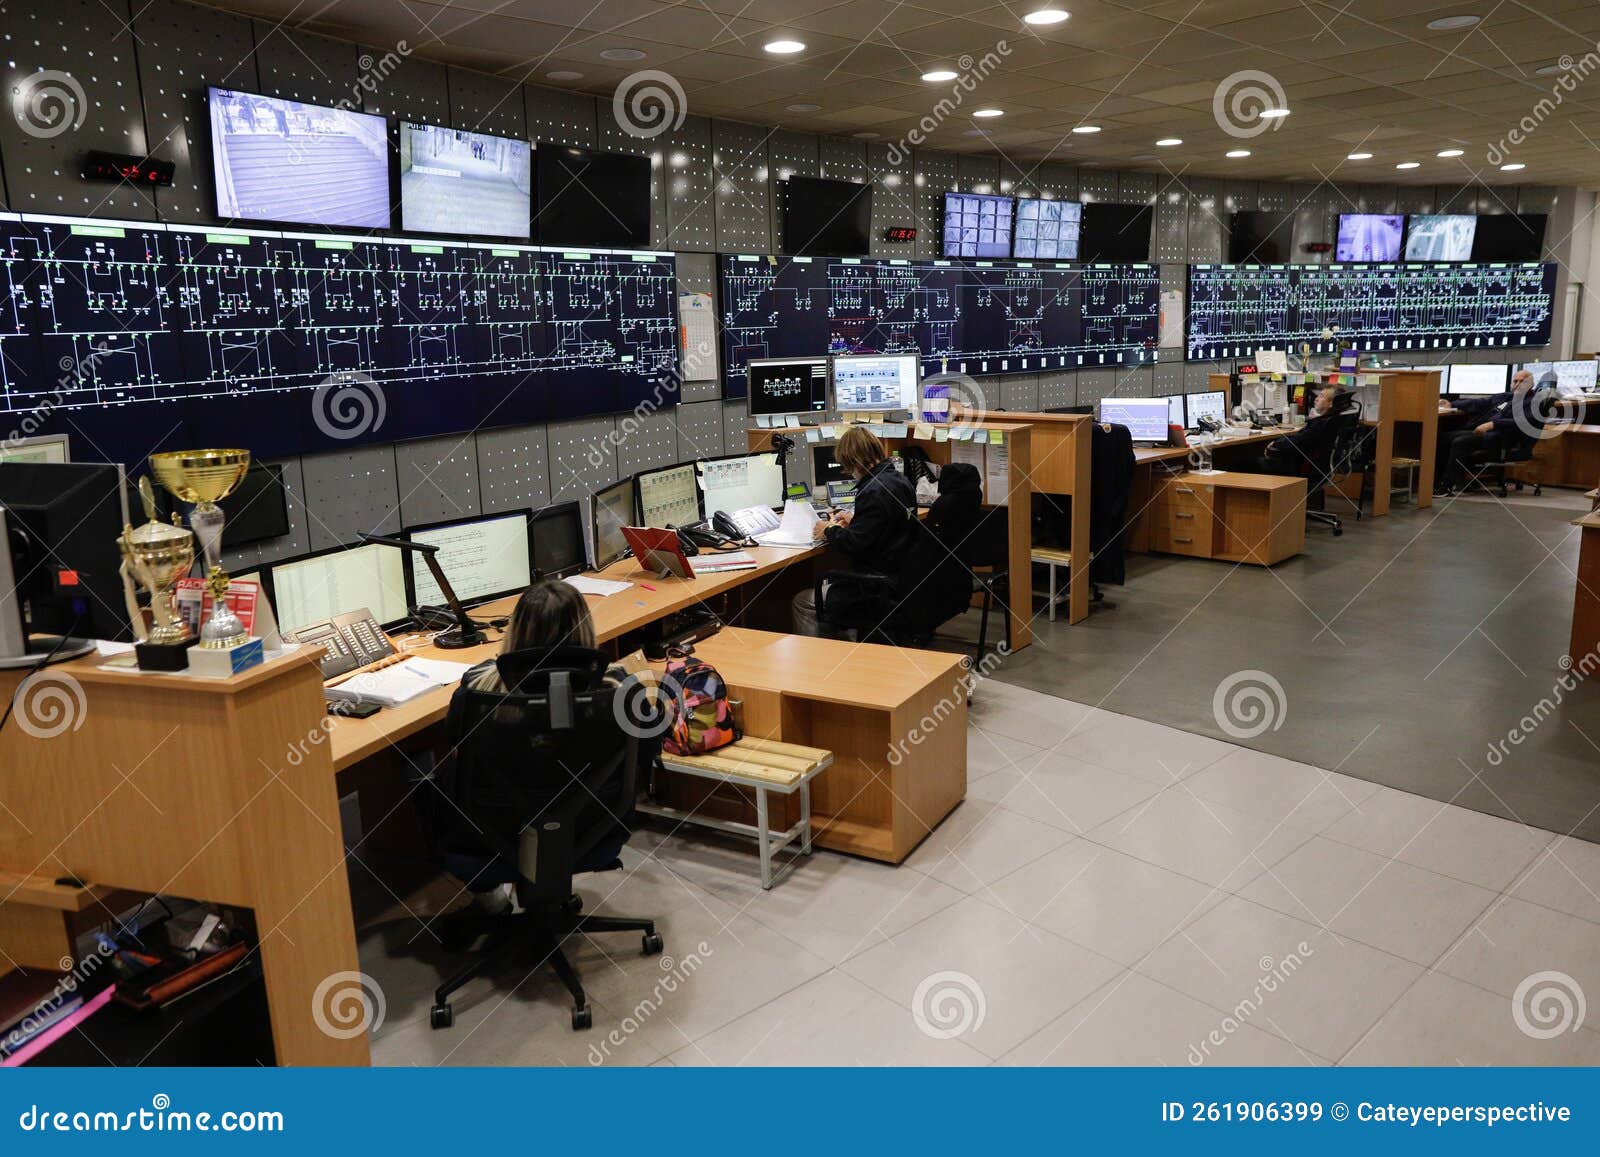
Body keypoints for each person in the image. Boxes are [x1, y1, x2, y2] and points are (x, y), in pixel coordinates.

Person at [435, 580, 630, 943]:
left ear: (516, 628)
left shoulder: (480, 687)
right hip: (589, 830)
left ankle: (491, 898)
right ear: (585, 627)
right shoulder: (618, 687)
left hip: (494, 833)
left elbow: (454, 744)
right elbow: (644, 755)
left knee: (433, 776)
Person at [792, 425, 917, 637]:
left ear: (854, 461)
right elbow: (885, 525)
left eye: (848, 466)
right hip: (901, 578)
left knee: (803, 601)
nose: (849, 472)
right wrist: (856, 521)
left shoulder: (873, 491)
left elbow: (854, 544)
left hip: (875, 587)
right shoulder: (900, 481)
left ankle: (821, 663)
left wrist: (827, 530)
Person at [1435, 369, 1540, 495]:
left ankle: (1446, 487)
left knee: (1460, 442)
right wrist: (1451, 404)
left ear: (1531, 385)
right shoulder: (1506, 397)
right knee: (1443, 438)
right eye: (1515, 381)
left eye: (1522, 382)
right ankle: (1438, 482)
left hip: (1504, 440)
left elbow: (1522, 422)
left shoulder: (1534, 402)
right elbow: (1479, 402)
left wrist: (1493, 424)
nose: (1517, 384)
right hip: (1487, 434)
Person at [1249, 386, 1351, 477]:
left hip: (1298, 467)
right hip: (1318, 469)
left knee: (1241, 464)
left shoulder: (1321, 424)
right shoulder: (1334, 422)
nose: (1316, 399)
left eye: (1321, 396)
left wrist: (1274, 445)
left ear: (1331, 404)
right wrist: (1278, 442)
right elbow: (1299, 438)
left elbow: (1297, 442)